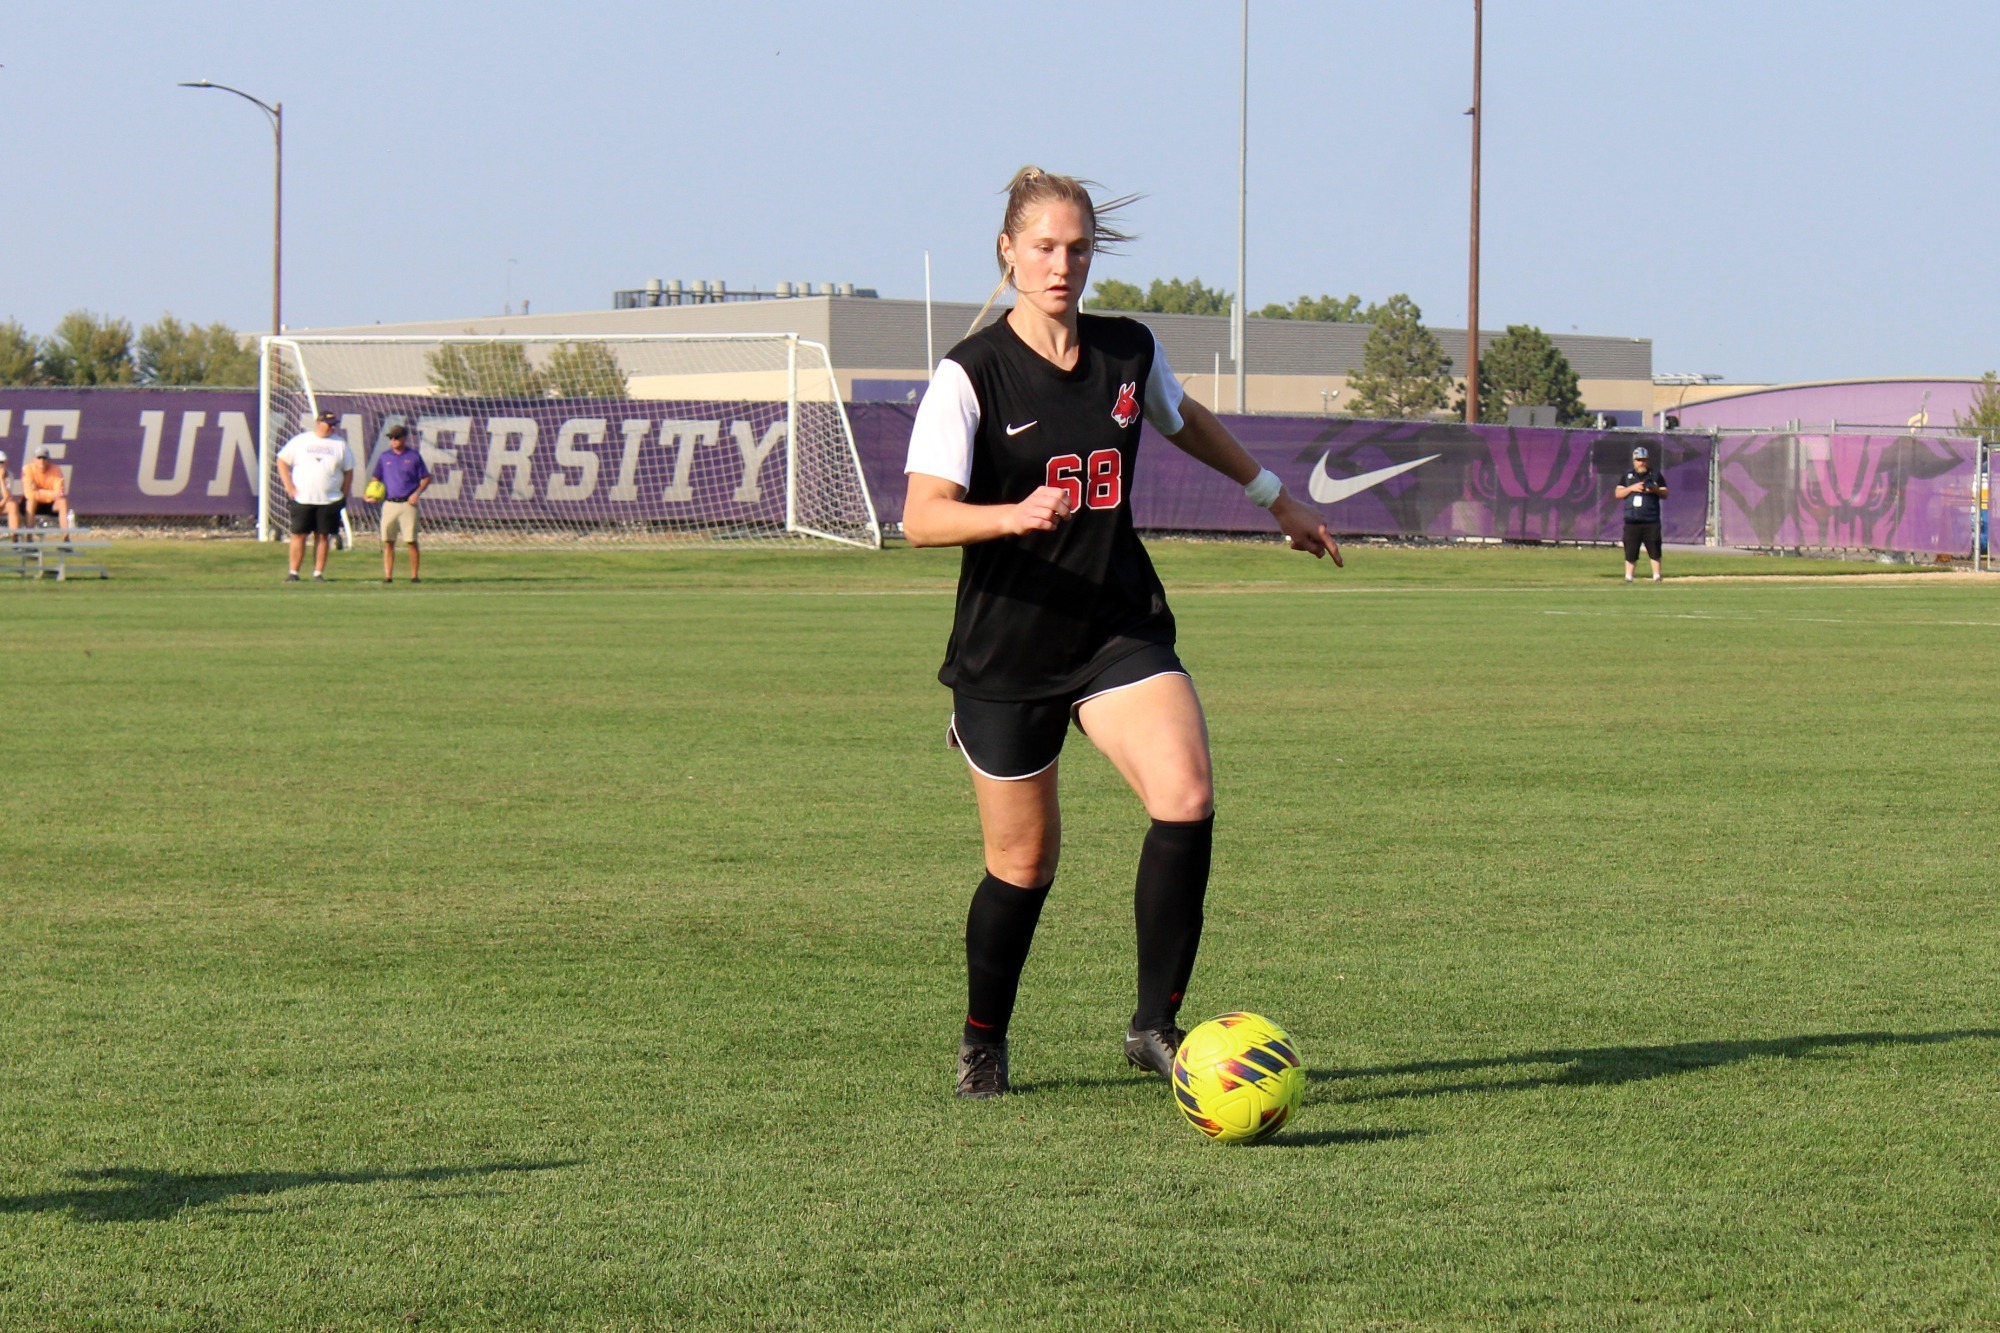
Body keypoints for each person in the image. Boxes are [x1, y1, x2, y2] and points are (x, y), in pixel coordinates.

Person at [903, 167, 1342, 1100]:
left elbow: (1188, 424)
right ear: (1009, 252)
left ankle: (1155, 1023)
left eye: (1078, 248)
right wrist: (1010, 514)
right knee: (1024, 864)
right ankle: (984, 1037)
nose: (1062, 264)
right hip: (1008, 646)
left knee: (1185, 793)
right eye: (1045, 247)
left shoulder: (1129, 353)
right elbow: (922, 518)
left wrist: (1279, 503)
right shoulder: (970, 372)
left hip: (1116, 624)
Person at [276, 410, 355, 582]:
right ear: (319, 423)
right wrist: (289, 486)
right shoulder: (301, 441)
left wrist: (344, 493)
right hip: (303, 498)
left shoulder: (340, 444)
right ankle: (294, 572)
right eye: (329, 424)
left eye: (334, 424)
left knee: (323, 535)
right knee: (298, 534)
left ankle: (318, 572)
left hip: (329, 499)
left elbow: (348, 470)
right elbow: (282, 460)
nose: (332, 428)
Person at [371, 424, 431, 583]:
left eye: (396, 437)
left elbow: (426, 477)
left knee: (411, 540)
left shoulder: (413, 456)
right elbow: (376, 478)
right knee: (388, 541)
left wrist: (417, 493)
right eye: (391, 438)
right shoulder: (385, 457)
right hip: (390, 503)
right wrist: (372, 493)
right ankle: (388, 575)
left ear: (404, 438)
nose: (393, 440)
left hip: (408, 503)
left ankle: (414, 575)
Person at [1615, 444, 1669, 583]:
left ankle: (1656, 575)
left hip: (1651, 519)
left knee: (1654, 548)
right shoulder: (1628, 476)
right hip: (1632, 519)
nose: (1642, 462)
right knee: (1631, 550)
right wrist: (1632, 488)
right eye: (1639, 460)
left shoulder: (1655, 475)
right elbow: (1618, 493)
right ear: (1634, 461)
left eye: (1644, 459)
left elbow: (1665, 493)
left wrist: (1655, 490)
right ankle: (1629, 576)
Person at [22, 447, 71, 529]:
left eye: (44, 458)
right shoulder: (27, 469)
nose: (42, 461)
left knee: (63, 502)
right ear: (34, 460)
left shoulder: (56, 470)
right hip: (34, 503)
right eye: (39, 458)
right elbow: (30, 495)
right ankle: (29, 537)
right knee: (30, 502)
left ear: (48, 460)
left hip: (50, 504)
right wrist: (51, 493)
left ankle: (65, 537)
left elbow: (59, 493)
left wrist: (37, 491)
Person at [0, 451, 20, 536]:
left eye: (2, 462)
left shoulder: (9, 475)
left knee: (12, 506)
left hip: (2, 504)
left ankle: (15, 541)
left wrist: (1, 479)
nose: (0, 465)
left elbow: (6, 496)